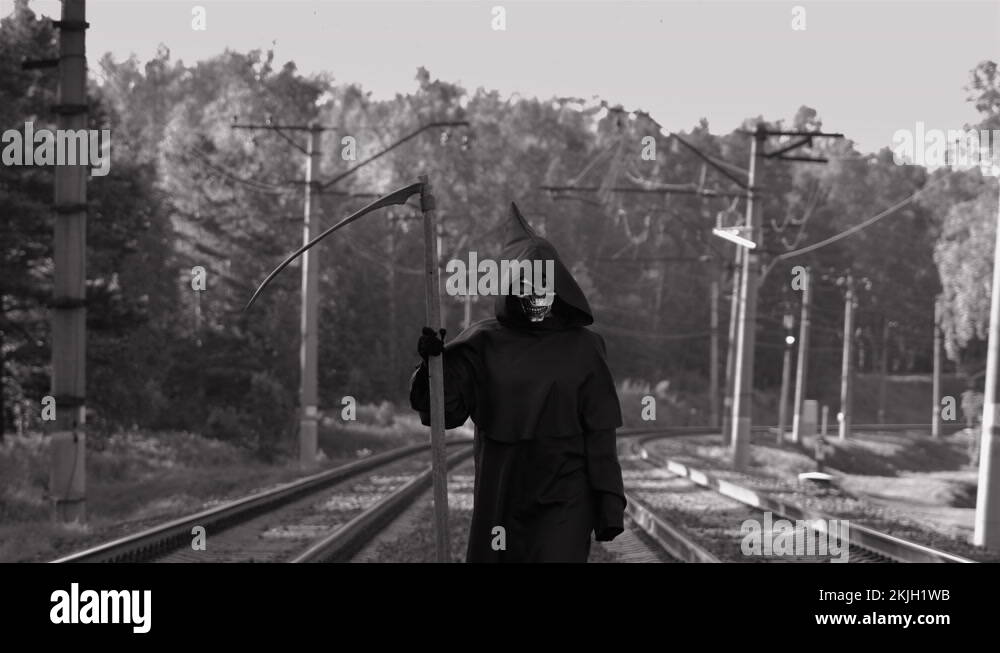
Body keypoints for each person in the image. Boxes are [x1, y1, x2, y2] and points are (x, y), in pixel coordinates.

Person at [409, 202, 626, 563]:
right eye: (526, 286)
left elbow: (601, 433)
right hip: (502, 492)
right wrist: (432, 362)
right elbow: (442, 412)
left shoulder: (586, 348)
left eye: (544, 286)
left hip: (566, 496)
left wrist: (608, 503)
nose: (536, 296)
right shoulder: (481, 343)